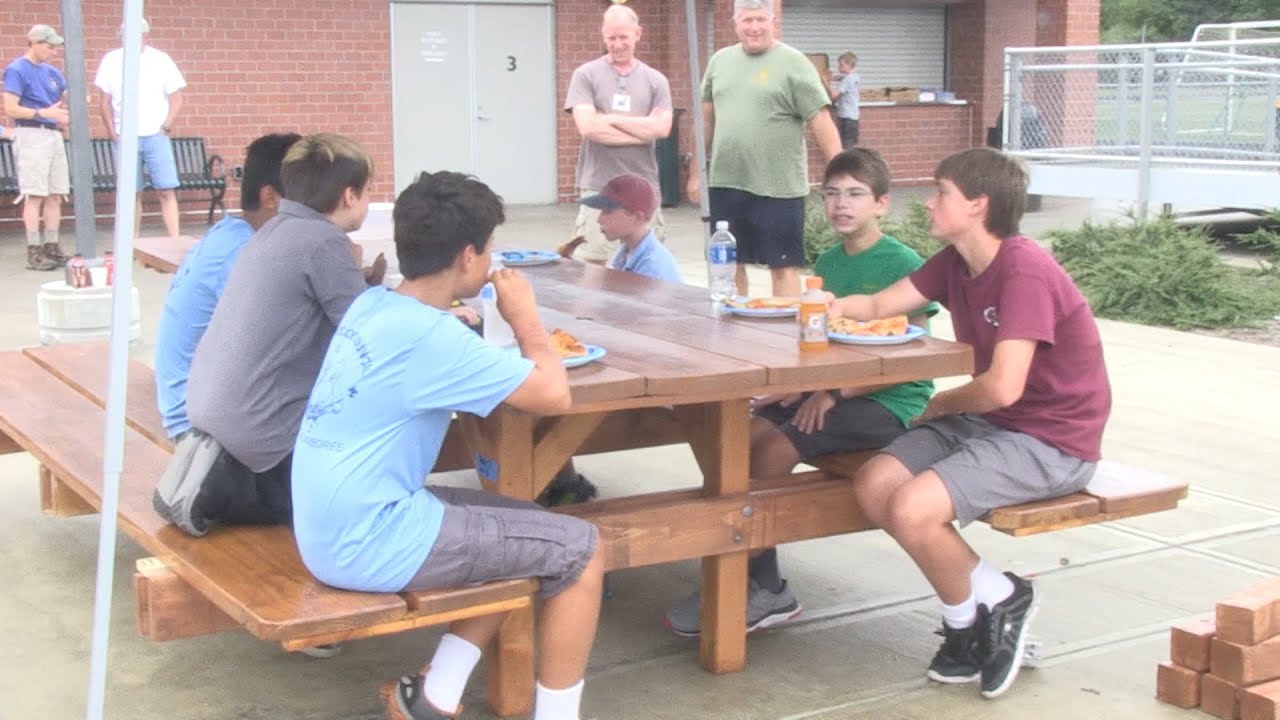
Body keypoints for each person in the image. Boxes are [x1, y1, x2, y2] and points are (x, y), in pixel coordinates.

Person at [292, 170, 604, 720]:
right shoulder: (434, 339)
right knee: (580, 550)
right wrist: (526, 320)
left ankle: (436, 693)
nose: (490, 262)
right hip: (371, 539)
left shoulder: (375, 306)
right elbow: (553, 393)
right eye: (488, 251)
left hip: (333, 524)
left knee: (520, 524)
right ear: (466, 256)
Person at [828, 147, 1112, 699]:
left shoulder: (1023, 269)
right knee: (875, 483)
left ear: (978, 205)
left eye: (940, 193)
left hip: (1050, 438)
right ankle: (973, 617)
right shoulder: (957, 261)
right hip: (994, 422)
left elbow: (1003, 386)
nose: (929, 203)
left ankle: (1003, 600)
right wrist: (816, 305)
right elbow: (882, 303)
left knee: (912, 507)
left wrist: (939, 405)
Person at [665, 148, 938, 637]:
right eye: (832, 193)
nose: (841, 204)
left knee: (772, 448)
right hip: (830, 390)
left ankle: (734, 577)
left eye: (855, 193)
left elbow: (911, 356)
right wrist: (793, 389)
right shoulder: (829, 261)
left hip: (888, 401)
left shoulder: (904, 262)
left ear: (882, 203)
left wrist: (834, 392)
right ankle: (762, 581)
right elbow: (818, 342)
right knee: (734, 435)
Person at [153, 134, 386, 539]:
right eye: (367, 193)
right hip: (261, 450)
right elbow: (367, 335)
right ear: (349, 196)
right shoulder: (324, 242)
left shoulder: (270, 232)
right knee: (374, 426)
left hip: (211, 423)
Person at [686, 0, 841, 299]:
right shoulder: (720, 61)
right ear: (735, 24)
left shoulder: (794, 62)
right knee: (730, 264)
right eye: (746, 20)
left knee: (783, 266)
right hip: (726, 183)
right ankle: (733, 334)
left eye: (760, 19)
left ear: (773, 22)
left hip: (779, 189)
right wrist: (696, 175)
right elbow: (704, 120)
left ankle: (783, 337)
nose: (754, 27)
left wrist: (840, 177)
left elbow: (820, 120)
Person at [153, 133, 302, 441]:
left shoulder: (230, 233)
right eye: (310, 198)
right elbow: (286, 344)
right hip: (198, 425)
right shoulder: (247, 254)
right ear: (271, 198)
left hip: (190, 402)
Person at [561, 4, 672, 267]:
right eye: (611, 37)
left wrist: (610, 119)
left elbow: (662, 129)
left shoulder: (656, 80)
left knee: (644, 265)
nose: (618, 44)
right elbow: (588, 127)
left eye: (623, 37)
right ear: (603, 35)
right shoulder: (586, 75)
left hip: (643, 188)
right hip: (599, 184)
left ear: (638, 34)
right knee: (592, 264)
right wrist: (642, 130)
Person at [94, 17, 186, 238]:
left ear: (146, 37)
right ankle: (131, 242)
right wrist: (111, 130)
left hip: (156, 134)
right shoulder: (111, 60)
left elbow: (177, 98)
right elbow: (104, 101)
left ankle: (174, 238)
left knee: (165, 190)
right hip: (125, 136)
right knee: (130, 193)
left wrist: (166, 127)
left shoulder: (161, 60)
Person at [3, 23, 71, 271]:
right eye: (49, 47)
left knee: (56, 193)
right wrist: (44, 113)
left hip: (54, 135)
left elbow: (68, 93)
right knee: (35, 194)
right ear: (35, 43)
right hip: (31, 134)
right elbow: (10, 108)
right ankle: (34, 250)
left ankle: (52, 245)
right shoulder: (17, 70)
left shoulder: (52, 72)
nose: (53, 52)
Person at [570, 173, 680, 283]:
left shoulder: (652, 267)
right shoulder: (628, 252)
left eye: (608, 212)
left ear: (637, 217)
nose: (599, 219)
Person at [831, 52, 861, 149]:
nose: (839, 67)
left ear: (848, 65)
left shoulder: (847, 80)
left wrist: (824, 82)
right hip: (853, 117)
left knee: (845, 147)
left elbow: (834, 95)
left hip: (846, 118)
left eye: (841, 65)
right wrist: (830, 78)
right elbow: (840, 77)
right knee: (849, 145)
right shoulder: (854, 76)